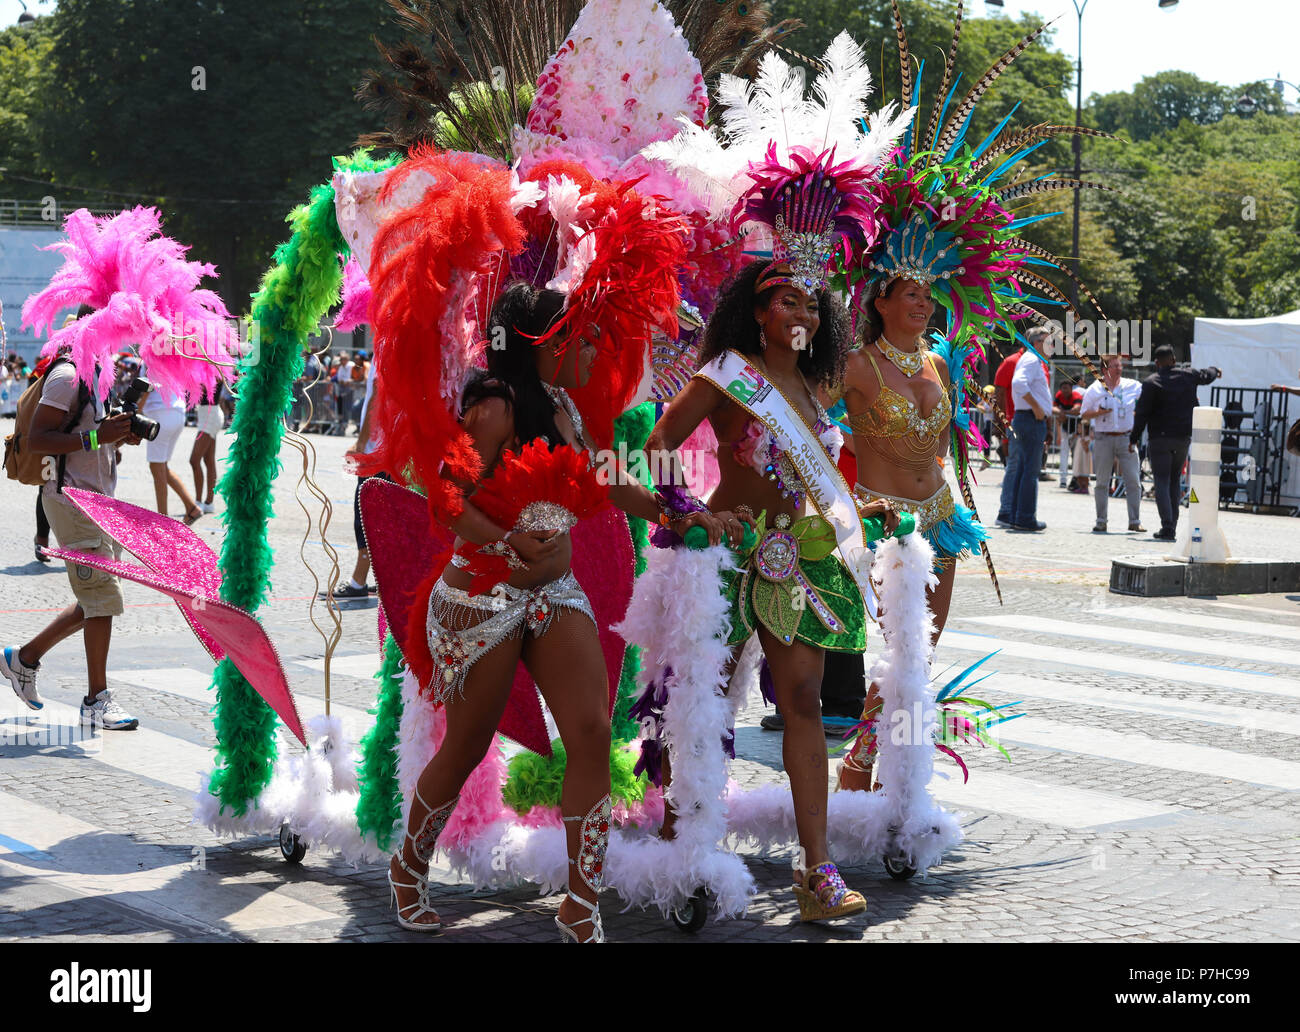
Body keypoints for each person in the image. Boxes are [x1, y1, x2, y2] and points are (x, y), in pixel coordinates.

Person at [647, 259, 896, 921]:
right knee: (704, 702)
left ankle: (817, 873)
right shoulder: (726, 375)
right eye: (789, 302)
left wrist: (859, 509)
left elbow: (811, 477)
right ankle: (686, 850)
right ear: (759, 313)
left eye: (813, 306)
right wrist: (688, 512)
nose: (803, 316)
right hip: (727, 557)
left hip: (799, 563)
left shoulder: (815, 385)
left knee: (805, 702)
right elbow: (659, 442)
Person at [0, 311, 145, 728]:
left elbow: (92, 440)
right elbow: (38, 439)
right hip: (71, 502)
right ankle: (96, 700)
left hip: (100, 501)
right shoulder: (67, 375)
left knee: (96, 596)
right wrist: (100, 436)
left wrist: (119, 436)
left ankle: (22, 659)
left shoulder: (98, 374)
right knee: (101, 598)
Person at [1131, 345, 1221, 540]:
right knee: (1174, 481)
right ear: (1173, 359)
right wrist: (1216, 369)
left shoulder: (1151, 382)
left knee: (1161, 481)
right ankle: (1173, 524)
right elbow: (1208, 375)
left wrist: (1133, 439)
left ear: (1156, 363)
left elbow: (1142, 414)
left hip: (1159, 439)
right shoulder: (1188, 375)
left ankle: (1168, 526)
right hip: (1182, 438)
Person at [997, 329, 1053, 531]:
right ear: (1037, 343)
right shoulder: (1032, 359)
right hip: (1030, 419)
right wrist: (1037, 408)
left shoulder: (1030, 359)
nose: (1052, 346)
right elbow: (1018, 383)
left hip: (1026, 418)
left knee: (1022, 470)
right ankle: (1025, 517)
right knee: (1029, 471)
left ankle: (1016, 515)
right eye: (1049, 342)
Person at [1081, 354, 1144, 533]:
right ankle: (1101, 521)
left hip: (1127, 438)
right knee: (1102, 482)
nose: (1119, 368)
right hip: (1103, 438)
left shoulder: (1133, 386)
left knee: (1133, 480)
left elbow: (1148, 398)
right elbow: (1084, 413)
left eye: (1120, 365)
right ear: (1104, 369)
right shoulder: (1094, 389)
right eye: (1115, 366)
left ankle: (1135, 521)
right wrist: (1098, 412)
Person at [140, 375, 203, 524]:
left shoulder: (154, 352)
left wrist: (138, 409)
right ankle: (192, 508)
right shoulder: (173, 353)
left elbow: (149, 384)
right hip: (177, 411)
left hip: (162, 413)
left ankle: (162, 520)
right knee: (163, 467)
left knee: (156, 466)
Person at [189, 382, 223, 513]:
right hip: (206, 414)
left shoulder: (215, 364)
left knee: (194, 460)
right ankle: (209, 503)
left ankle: (198, 502)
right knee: (209, 460)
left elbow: (206, 387)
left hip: (211, 414)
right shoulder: (204, 362)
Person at [1054, 378, 1084, 489]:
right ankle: (1063, 480)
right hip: (1065, 428)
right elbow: (1053, 408)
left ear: (1071, 389)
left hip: (1077, 430)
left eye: (1067, 388)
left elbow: (1077, 409)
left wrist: (1063, 413)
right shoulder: (1059, 395)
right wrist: (1061, 413)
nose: (1064, 391)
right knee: (1063, 454)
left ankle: (1076, 479)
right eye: (1062, 388)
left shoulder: (1076, 396)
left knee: (1077, 456)